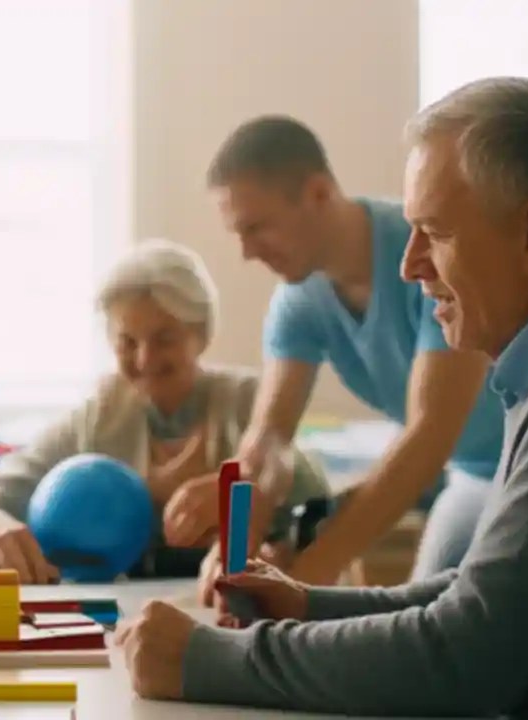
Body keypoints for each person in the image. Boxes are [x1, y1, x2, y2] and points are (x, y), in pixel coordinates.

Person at [118, 77, 528, 718]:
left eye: (435, 233)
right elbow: (488, 594)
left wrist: (202, 659)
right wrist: (309, 605)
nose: (410, 266)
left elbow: (462, 655)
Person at [190, 115, 506, 596]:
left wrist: (307, 575)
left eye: (257, 228)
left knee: (452, 620)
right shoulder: (298, 301)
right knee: (424, 613)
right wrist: (241, 525)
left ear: (318, 193)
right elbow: (270, 435)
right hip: (470, 475)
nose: (247, 253)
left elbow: (428, 437)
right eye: (239, 233)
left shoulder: (425, 258)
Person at [0, 239, 330, 583]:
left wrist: (253, 502)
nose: (145, 359)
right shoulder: (100, 416)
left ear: (201, 335)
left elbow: (319, 501)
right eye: (127, 342)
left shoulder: (247, 402)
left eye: (164, 339)